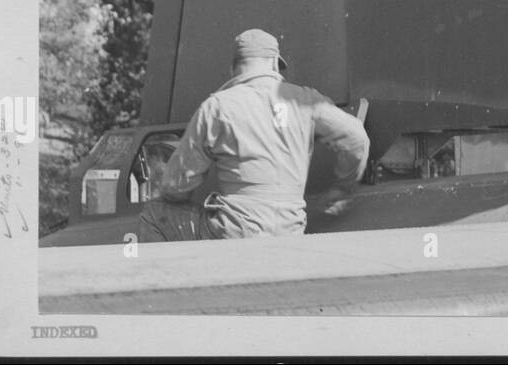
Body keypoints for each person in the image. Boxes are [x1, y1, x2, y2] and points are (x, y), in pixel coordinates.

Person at [138, 29, 369, 241]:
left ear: (233, 69)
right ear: (274, 64)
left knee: (153, 214)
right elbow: (357, 138)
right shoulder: (305, 100)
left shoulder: (216, 107)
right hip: (291, 228)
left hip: (235, 231)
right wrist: (343, 187)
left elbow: (175, 185)